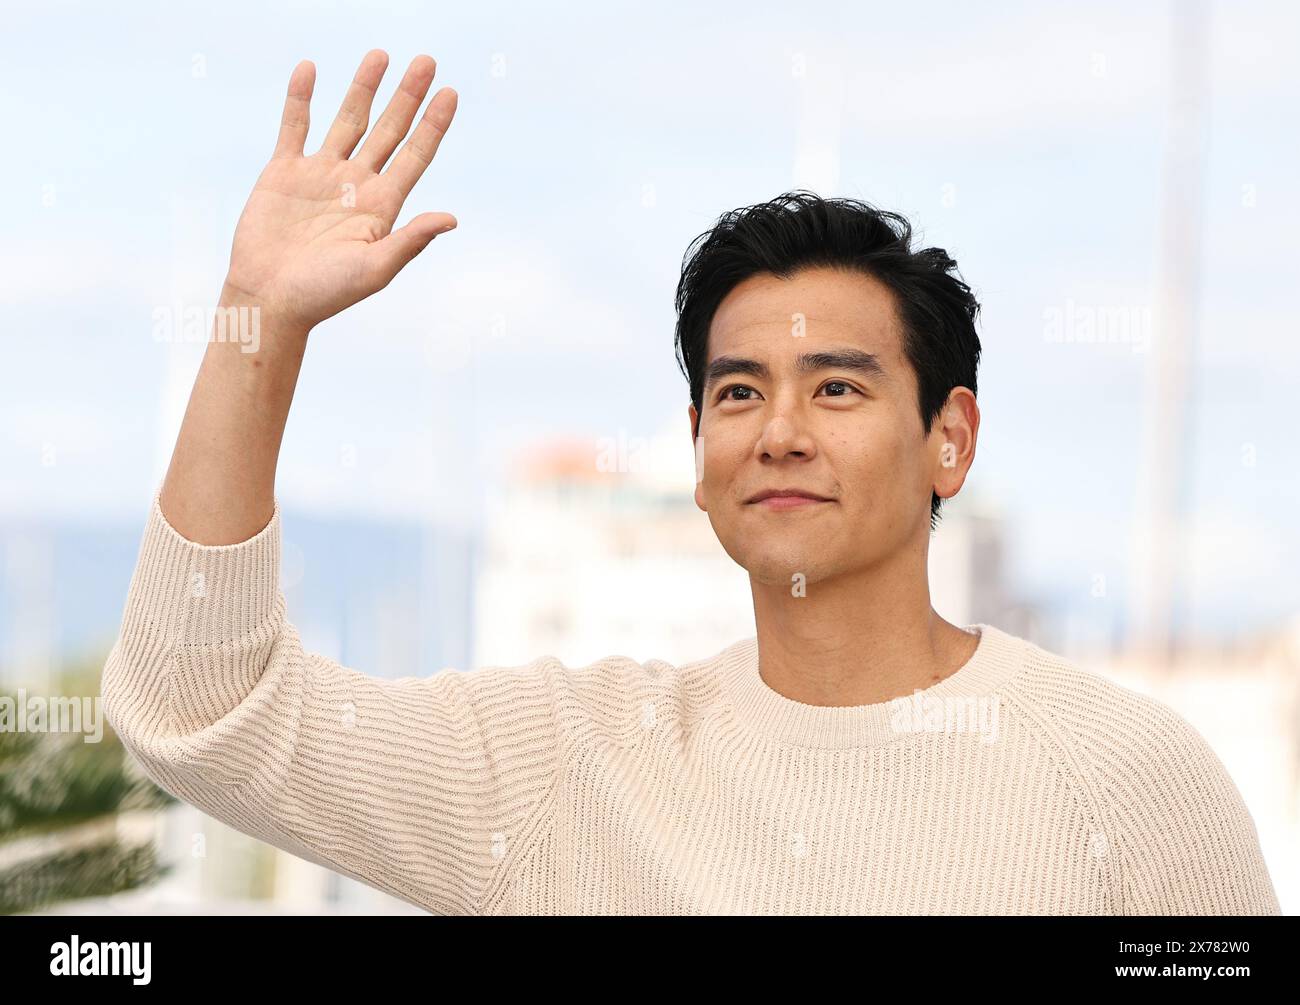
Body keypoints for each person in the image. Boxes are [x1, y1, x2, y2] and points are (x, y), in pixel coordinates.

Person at [102, 50, 1281, 916]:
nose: (776, 431)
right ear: (697, 448)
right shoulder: (568, 767)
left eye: (835, 388)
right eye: (736, 392)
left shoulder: (1126, 778)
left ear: (949, 439)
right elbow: (198, 711)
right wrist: (257, 324)